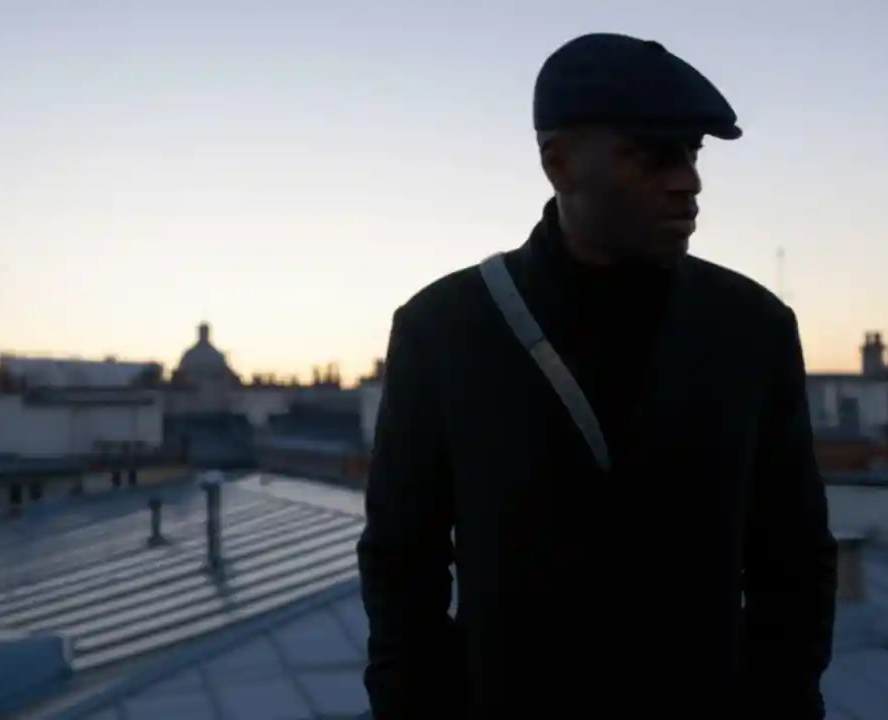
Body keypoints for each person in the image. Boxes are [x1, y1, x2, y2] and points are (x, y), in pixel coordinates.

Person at [357, 32, 837, 719]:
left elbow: (793, 560)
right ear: (558, 165)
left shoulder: (754, 328)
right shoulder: (442, 329)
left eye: (693, 154)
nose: (688, 181)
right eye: (651, 155)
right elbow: (402, 566)